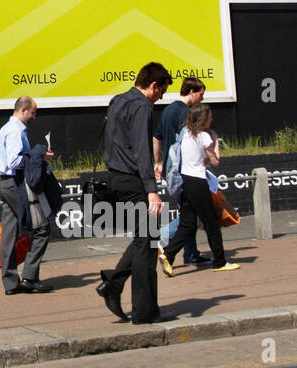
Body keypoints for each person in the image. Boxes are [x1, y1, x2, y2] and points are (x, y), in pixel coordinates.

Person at [95, 62, 171, 324]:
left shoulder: (117, 100)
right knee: (147, 244)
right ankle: (144, 311)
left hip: (116, 179)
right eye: (160, 92)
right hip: (134, 181)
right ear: (153, 85)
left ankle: (113, 286)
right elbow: (141, 148)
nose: (159, 98)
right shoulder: (141, 106)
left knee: (144, 240)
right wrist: (152, 190)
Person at [162, 103, 241, 274]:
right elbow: (215, 162)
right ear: (203, 119)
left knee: (187, 224)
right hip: (198, 182)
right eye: (210, 116)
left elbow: (198, 160)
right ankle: (220, 262)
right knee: (211, 223)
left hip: (186, 181)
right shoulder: (205, 136)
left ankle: (168, 254)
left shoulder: (186, 135)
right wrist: (216, 143)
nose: (212, 119)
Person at [0, 96, 55, 295]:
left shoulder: (7, 129)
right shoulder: (15, 131)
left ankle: (11, 283)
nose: (34, 117)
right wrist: (38, 156)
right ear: (24, 110)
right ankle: (30, 277)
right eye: (33, 113)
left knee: (10, 232)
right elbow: (14, 162)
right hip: (16, 183)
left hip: (6, 183)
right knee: (42, 227)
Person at [153, 77, 210, 268]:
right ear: (192, 92)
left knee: (187, 210)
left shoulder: (168, 109)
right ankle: (163, 236)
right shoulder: (186, 112)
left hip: (171, 169)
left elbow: (156, 138)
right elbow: (189, 142)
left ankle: (191, 254)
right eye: (201, 94)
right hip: (184, 170)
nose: (202, 98)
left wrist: (158, 162)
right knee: (190, 214)